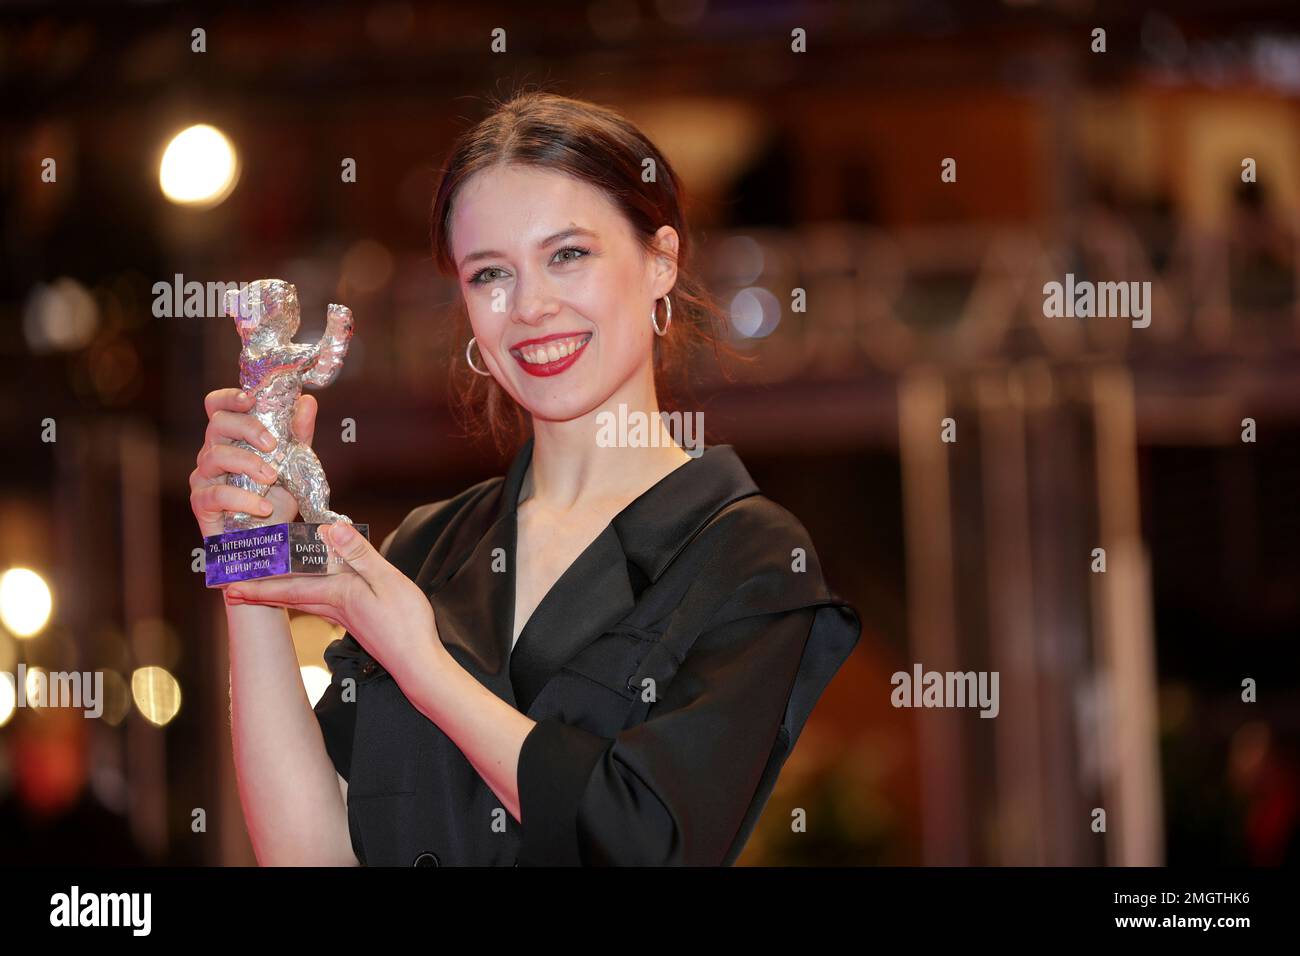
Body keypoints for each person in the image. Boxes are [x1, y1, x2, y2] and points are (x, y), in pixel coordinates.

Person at [190, 91, 860, 866]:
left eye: (568, 254)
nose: (531, 307)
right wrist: (249, 564)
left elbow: (636, 841)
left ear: (660, 261)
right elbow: (308, 854)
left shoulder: (748, 557)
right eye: (489, 275)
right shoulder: (431, 546)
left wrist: (422, 662)